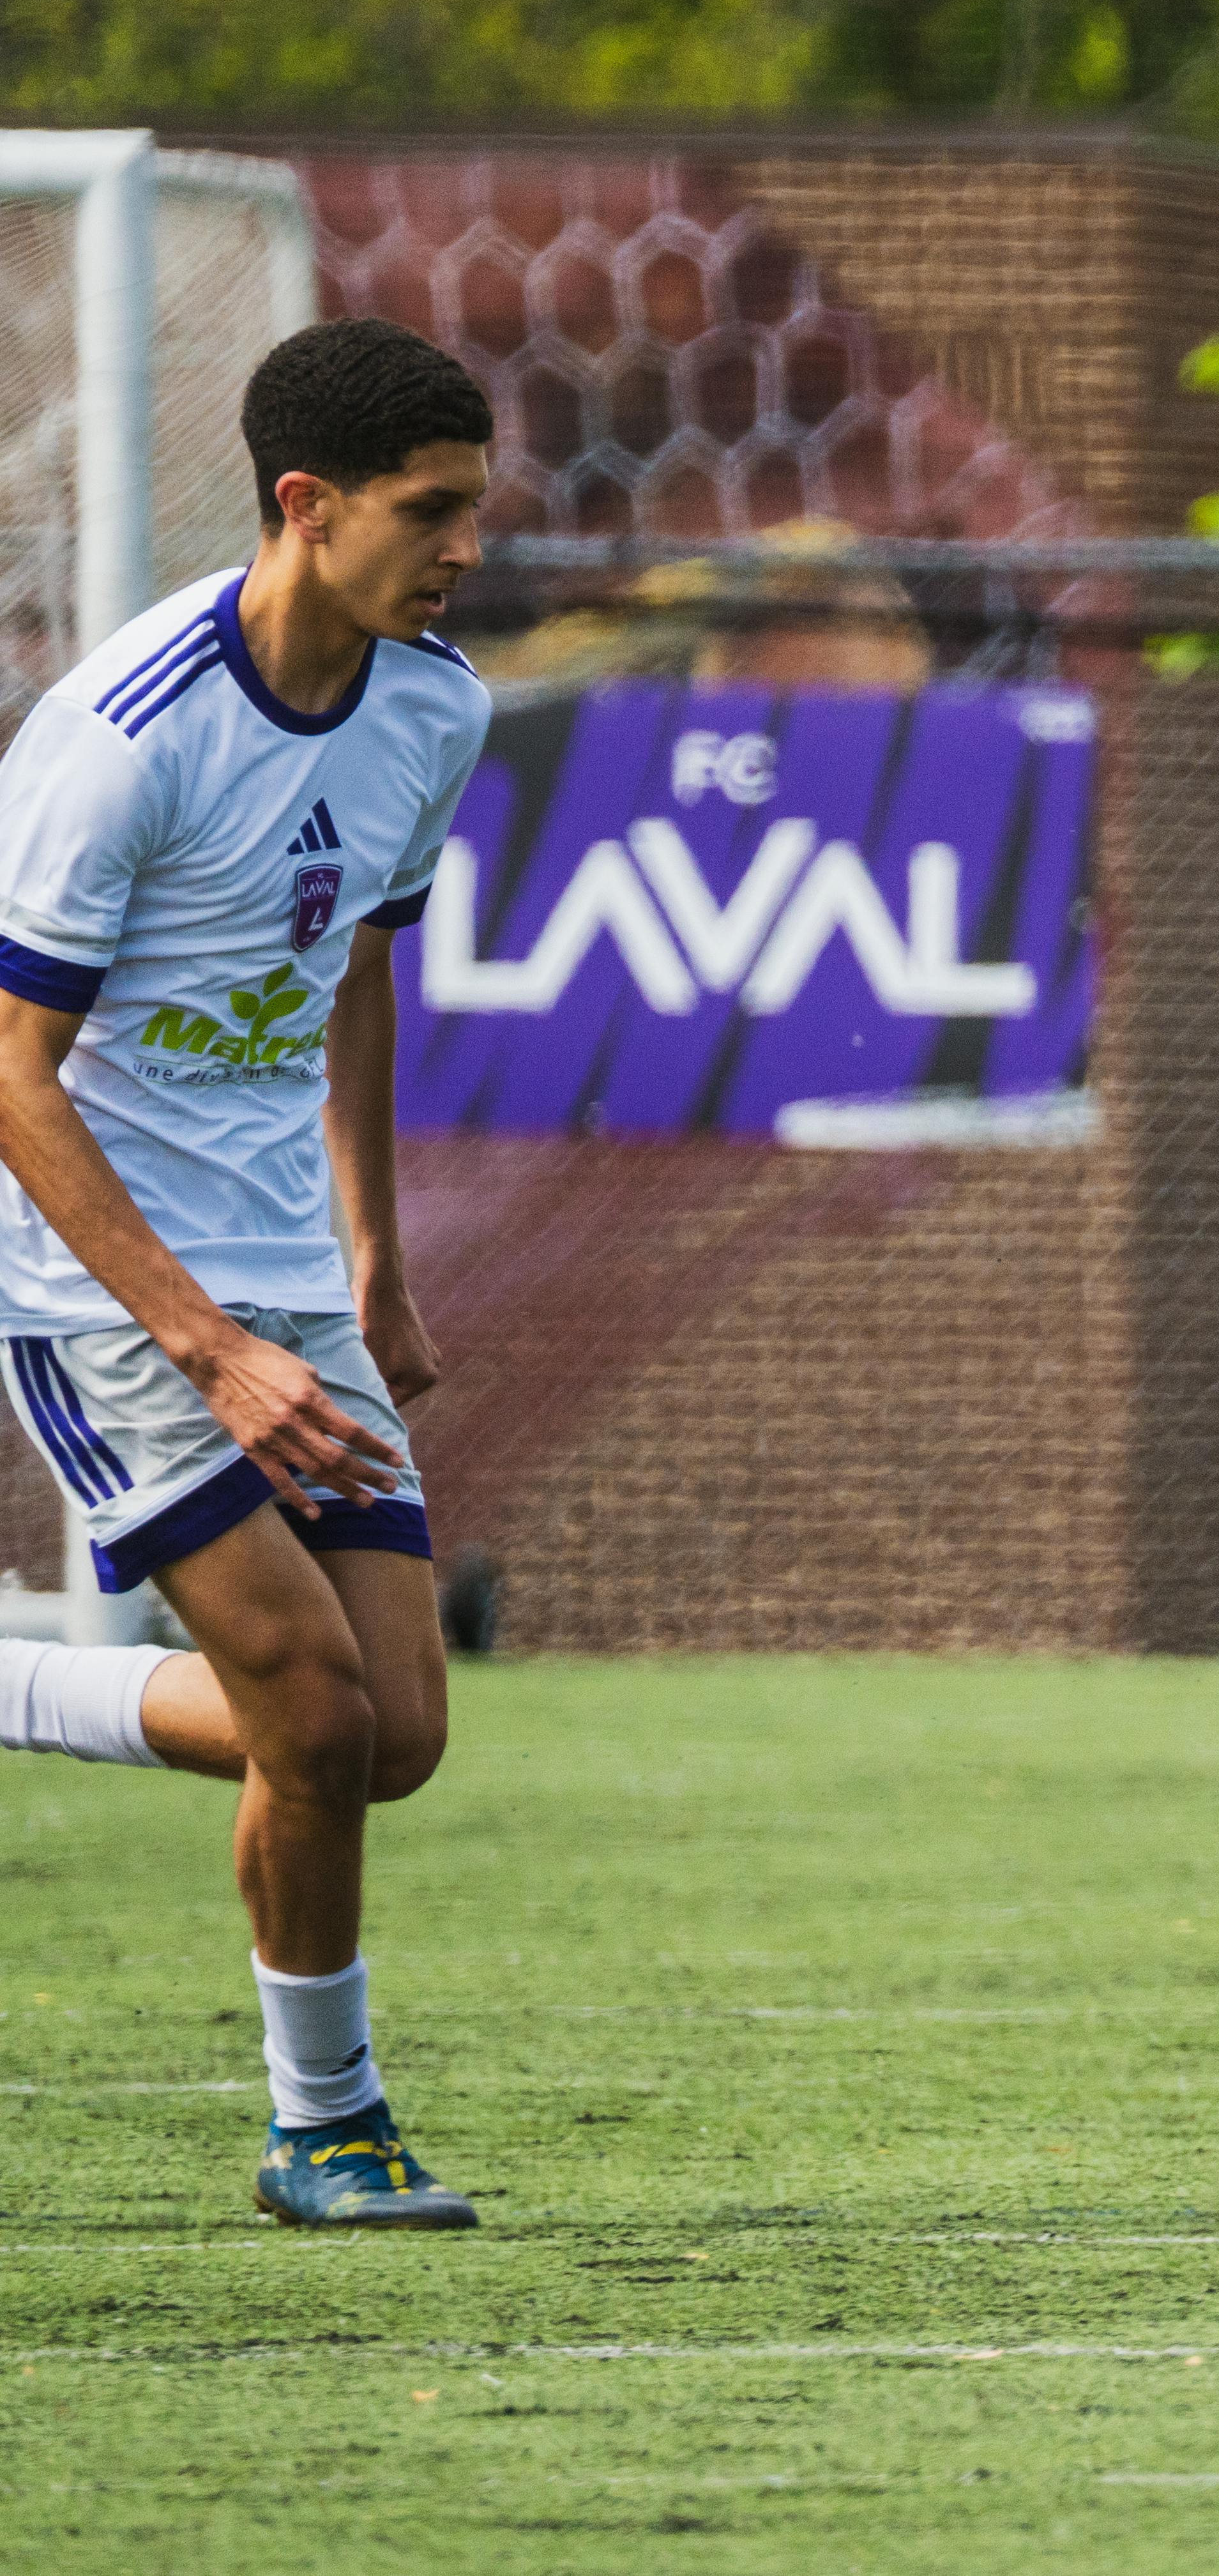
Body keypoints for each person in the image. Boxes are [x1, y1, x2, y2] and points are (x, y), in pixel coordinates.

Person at [0, 319, 496, 2228]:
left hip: (290, 1275)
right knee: (306, 1706)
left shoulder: (432, 707)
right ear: (307, 503)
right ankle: (327, 2127)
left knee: (394, 1736)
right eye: (429, 511)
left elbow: (360, 964)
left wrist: (374, 1257)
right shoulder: (121, 739)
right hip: (101, 1289)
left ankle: (28, 1690)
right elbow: (13, 1071)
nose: (464, 548)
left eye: (472, 508)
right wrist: (206, 1343)